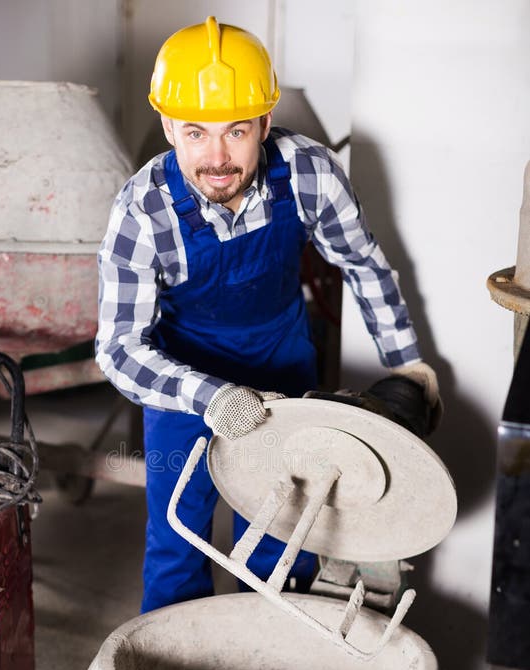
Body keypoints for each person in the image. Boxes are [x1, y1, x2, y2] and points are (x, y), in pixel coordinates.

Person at [96, 16, 440, 614]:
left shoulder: (307, 172)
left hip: (283, 364)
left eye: (236, 131)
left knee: (284, 537)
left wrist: (406, 363)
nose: (218, 157)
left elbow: (363, 264)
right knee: (179, 538)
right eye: (196, 133)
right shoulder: (141, 210)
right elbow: (119, 348)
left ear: (264, 122)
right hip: (182, 379)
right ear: (168, 126)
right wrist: (211, 398)